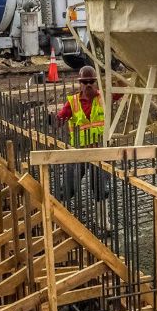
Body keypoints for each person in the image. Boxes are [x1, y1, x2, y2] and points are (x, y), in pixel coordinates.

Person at [56, 66, 111, 230]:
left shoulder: (104, 98)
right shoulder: (72, 102)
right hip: (79, 151)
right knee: (69, 185)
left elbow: (124, 89)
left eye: (91, 82)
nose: (88, 85)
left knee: (101, 186)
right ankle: (60, 217)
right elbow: (60, 118)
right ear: (80, 84)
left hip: (99, 151)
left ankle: (102, 221)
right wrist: (55, 120)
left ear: (96, 83)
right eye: (84, 82)